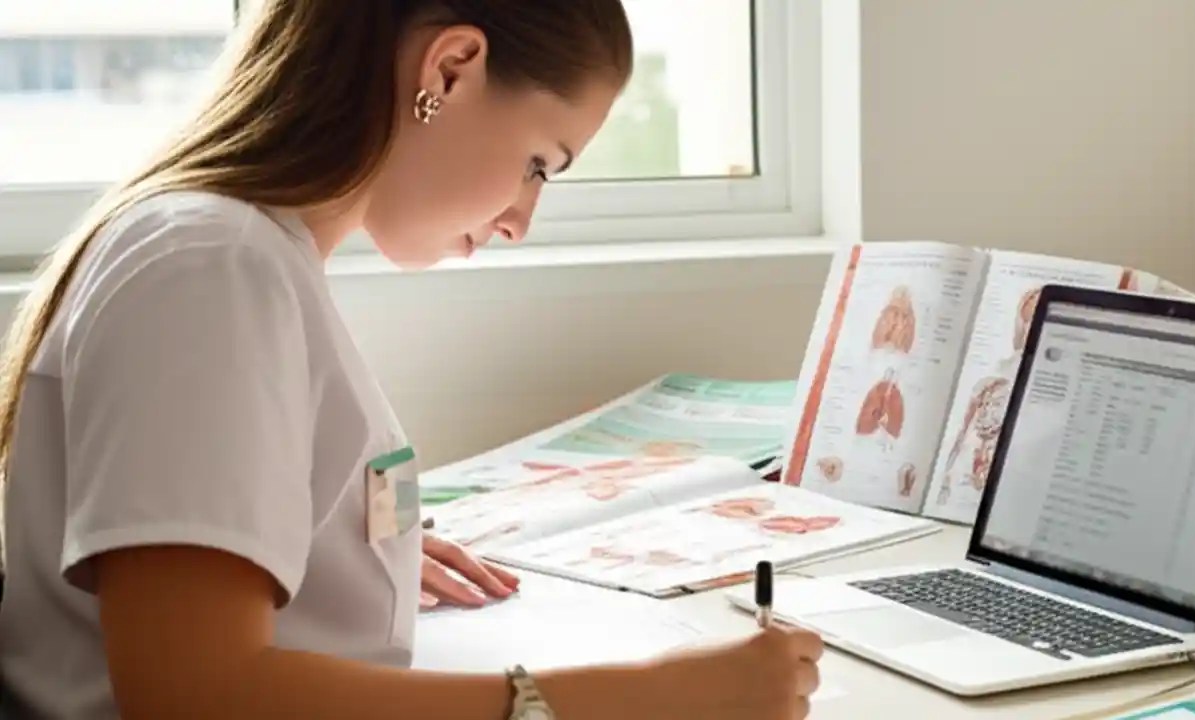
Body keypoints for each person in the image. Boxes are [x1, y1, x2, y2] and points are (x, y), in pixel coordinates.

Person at [0, 2, 824, 719]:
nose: (519, 221)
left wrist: (340, 549)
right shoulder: (210, 265)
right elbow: (198, 699)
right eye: (540, 164)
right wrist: (636, 703)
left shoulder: (248, 259)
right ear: (452, 66)